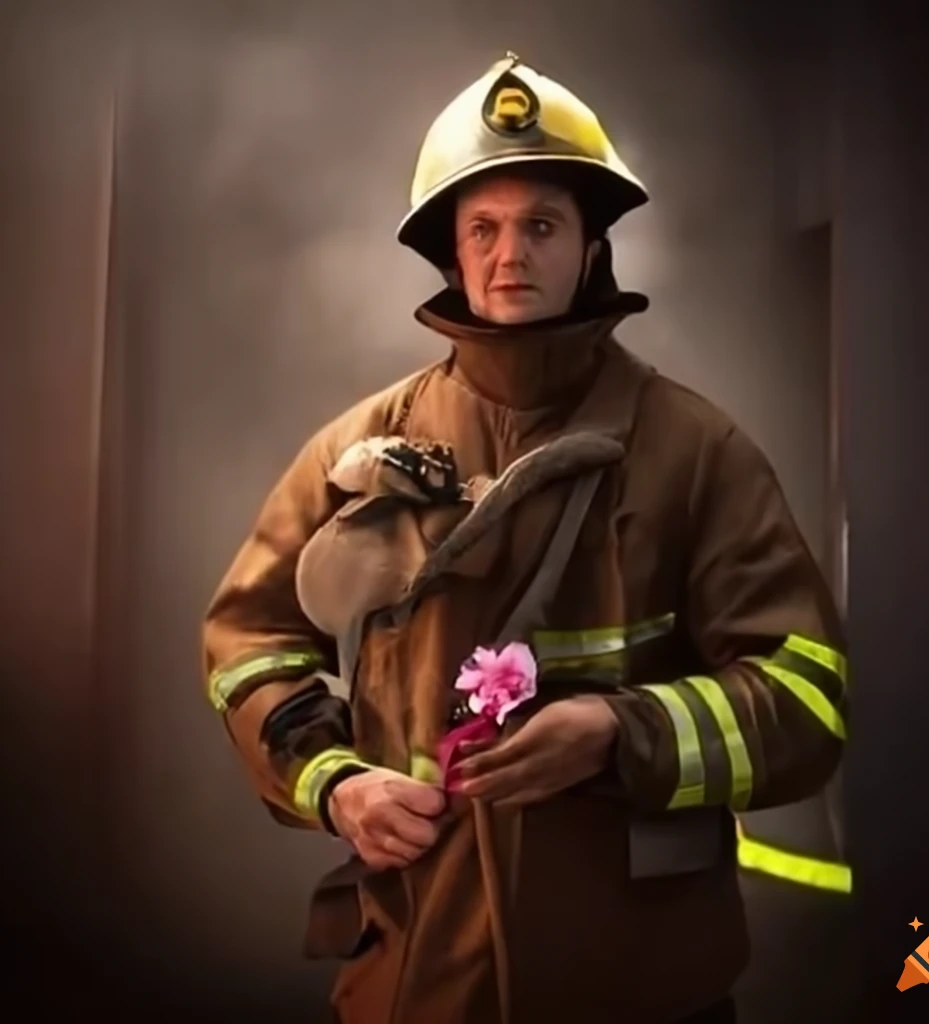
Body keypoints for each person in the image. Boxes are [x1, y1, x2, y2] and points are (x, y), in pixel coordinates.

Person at [201, 52, 848, 1024]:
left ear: (591, 246)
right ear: (452, 256)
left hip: (642, 988)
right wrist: (334, 784)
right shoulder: (356, 450)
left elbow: (807, 698)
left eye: (541, 225)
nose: (511, 256)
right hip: (417, 976)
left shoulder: (696, 451)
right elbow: (244, 645)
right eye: (483, 229)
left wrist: (619, 735)